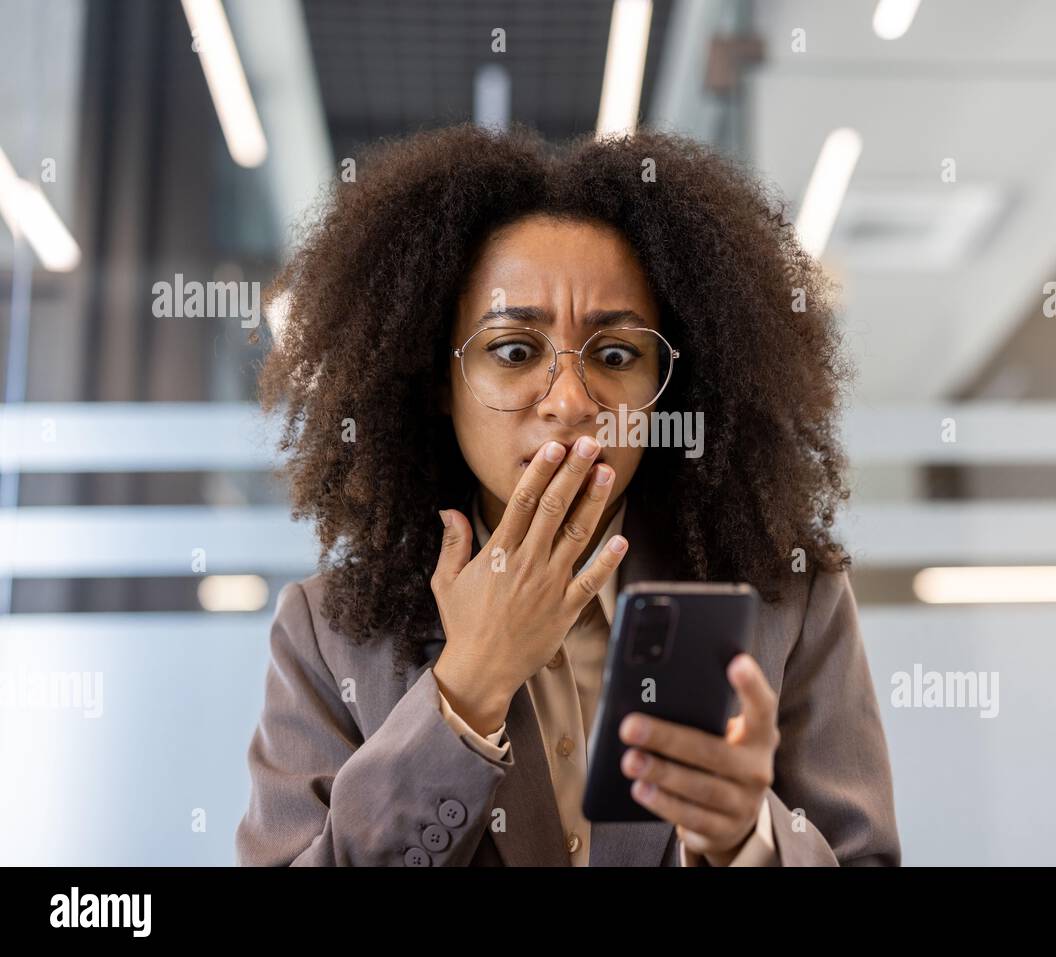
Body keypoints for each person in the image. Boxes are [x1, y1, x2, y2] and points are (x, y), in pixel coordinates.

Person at [235, 123, 900, 866]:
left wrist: (750, 838)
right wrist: (465, 693)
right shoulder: (328, 635)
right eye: (515, 351)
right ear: (436, 383)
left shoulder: (788, 599)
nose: (571, 400)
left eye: (616, 355)